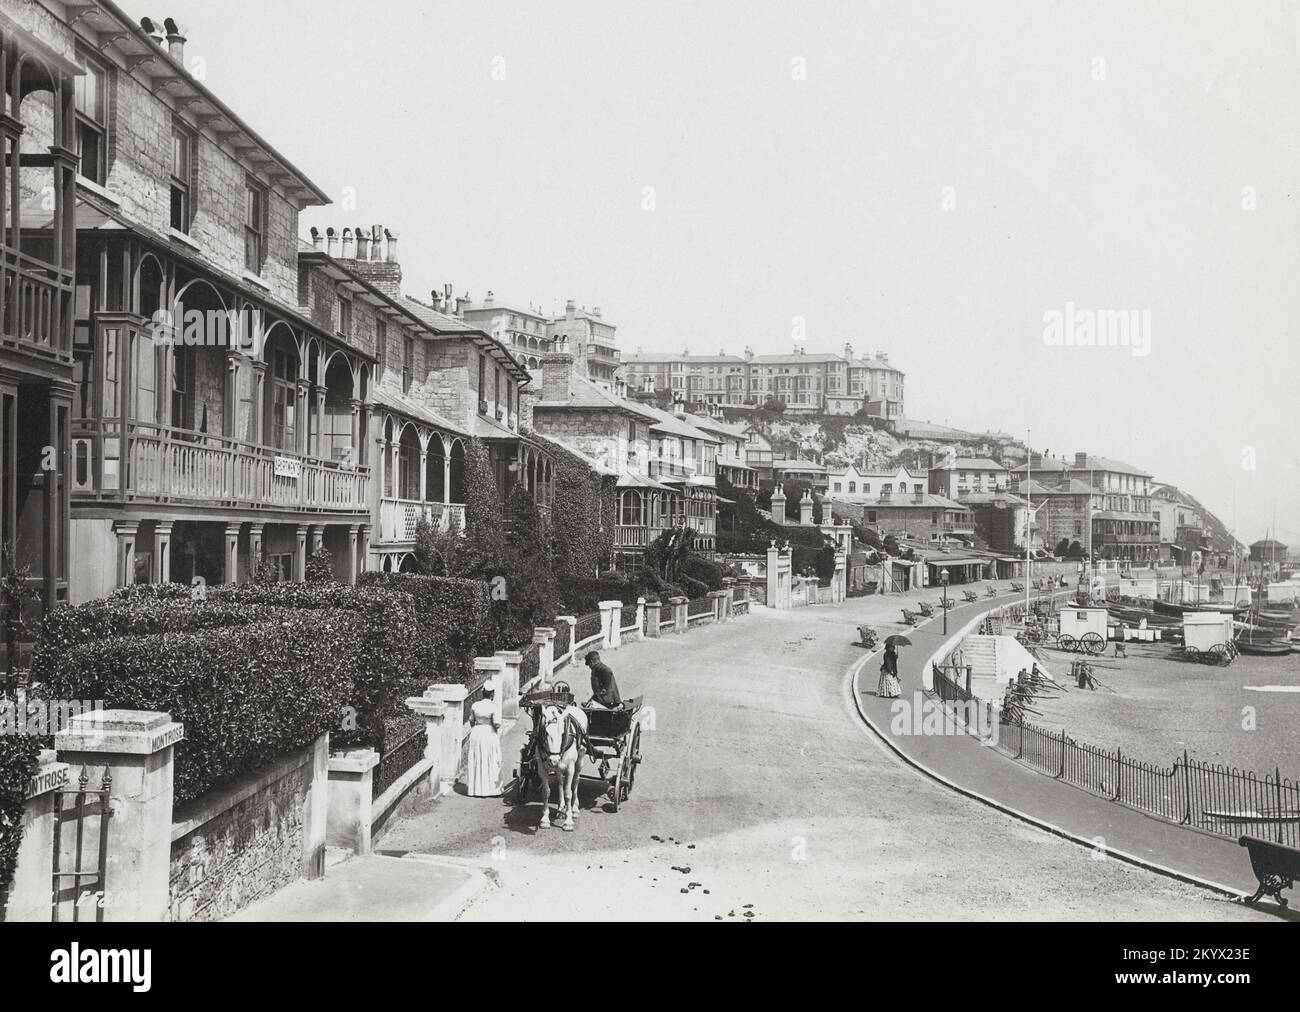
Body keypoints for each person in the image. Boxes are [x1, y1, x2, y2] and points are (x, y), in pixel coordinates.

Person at [466, 677, 502, 797]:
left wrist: (477, 726)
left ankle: (476, 789)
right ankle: (491, 789)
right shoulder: (493, 707)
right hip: (489, 733)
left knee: (477, 759)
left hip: (477, 733)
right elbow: (497, 723)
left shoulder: (475, 705)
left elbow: (471, 720)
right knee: (490, 759)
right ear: (492, 694)